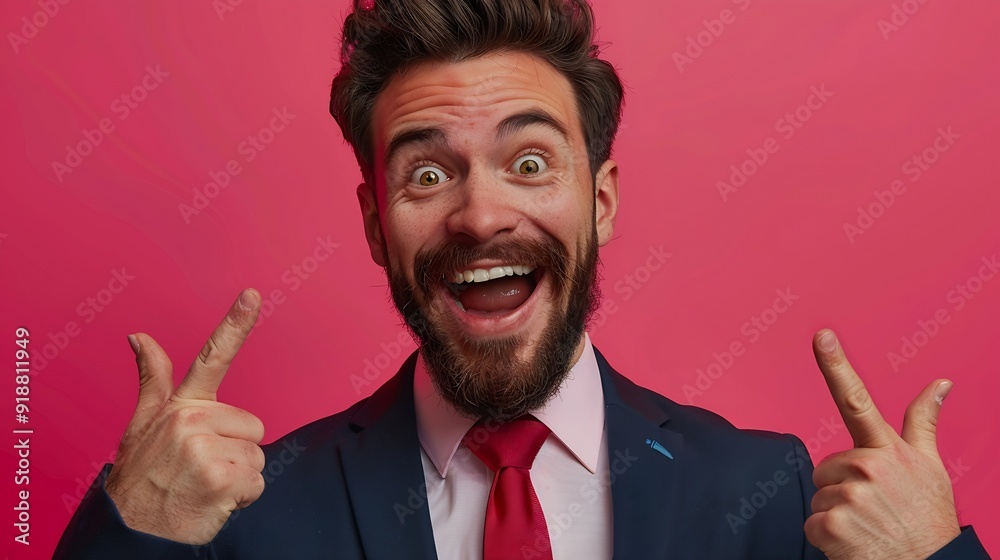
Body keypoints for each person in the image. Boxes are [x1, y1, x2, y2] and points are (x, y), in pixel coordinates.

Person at [56, 1, 990, 558]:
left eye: (531, 163)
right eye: (428, 173)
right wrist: (132, 531)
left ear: (602, 201)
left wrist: (932, 556)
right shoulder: (251, 512)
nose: (480, 215)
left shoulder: (767, 494)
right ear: (376, 226)